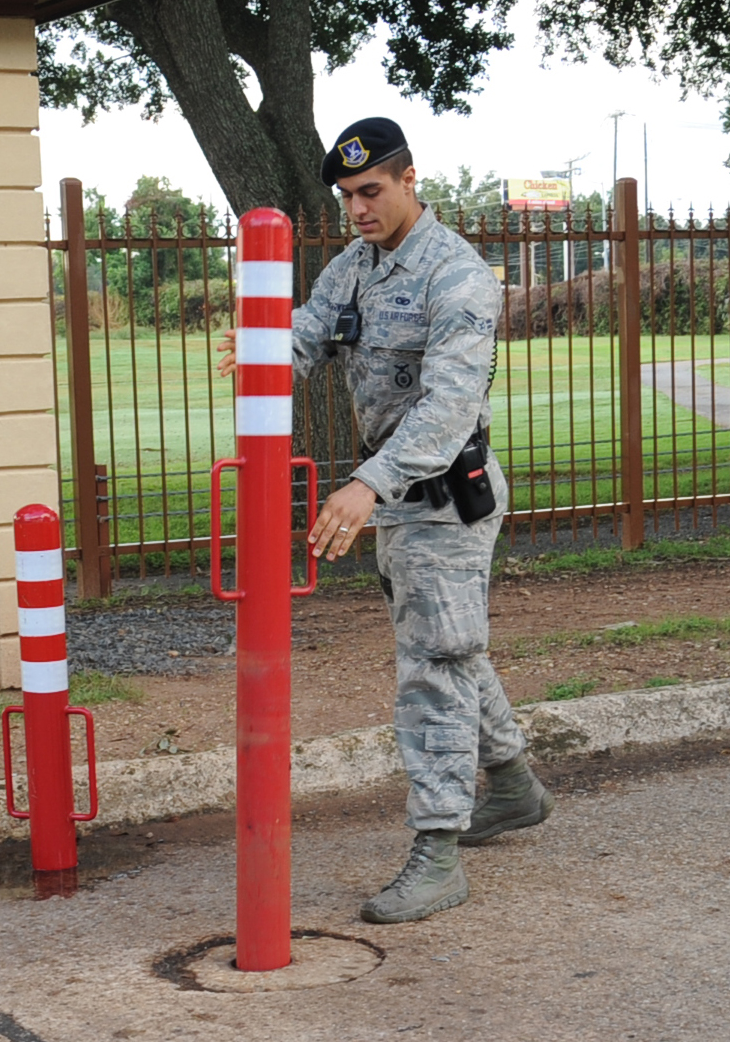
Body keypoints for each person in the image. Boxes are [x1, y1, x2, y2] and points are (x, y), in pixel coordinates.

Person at [217, 117, 554, 924]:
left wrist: (366, 485)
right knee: (448, 643)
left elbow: (447, 407)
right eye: (347, 197)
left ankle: (438, 856)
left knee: (434, 664)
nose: (358, 209)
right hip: (398, 498)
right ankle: (511, 786)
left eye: (371, 192)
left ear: (409, 179)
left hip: (439, 493)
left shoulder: (458, 275)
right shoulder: (356, 266)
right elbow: (313, 327)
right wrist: (262, 345)